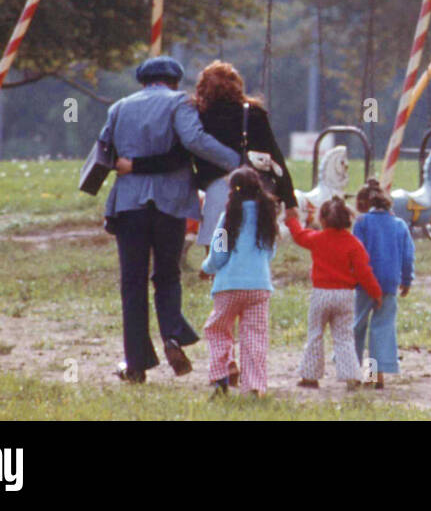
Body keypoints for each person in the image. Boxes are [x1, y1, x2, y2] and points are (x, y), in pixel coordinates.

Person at [99, 55, 241, 383]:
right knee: (167, 275)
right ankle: (173, 336)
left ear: (143, 81)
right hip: (171, 203)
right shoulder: (180, 102)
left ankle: (135, 364)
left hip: (129, 203)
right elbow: (193, 140)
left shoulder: (119, 107)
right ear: (174, 81)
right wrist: (234, 159)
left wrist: (133, 164)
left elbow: (105, 149)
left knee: (132, 282)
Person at [119, 61, 296, 255]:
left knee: (219, 244)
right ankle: (253, 279)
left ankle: (218, 278)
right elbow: (276, 159)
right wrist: (290, 202)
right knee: (254, 244)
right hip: (256, 192)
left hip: (219, 195)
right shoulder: (253, 114)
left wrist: (135, 165)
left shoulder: (198, 118)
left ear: (203, 87)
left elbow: (175, 158)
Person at [285, 198, 382, 390]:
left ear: (322, 220)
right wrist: (376, 293)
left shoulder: (317, 239)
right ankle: (352, 376)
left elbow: (299, 236)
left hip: (321, 293)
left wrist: (292, 220)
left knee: (315, 334)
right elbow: (364, 272)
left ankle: (310, 377)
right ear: (347, 219)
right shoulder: (354, 244)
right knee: (344, 337)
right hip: (345, 295)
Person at [201, 166, 279, 397]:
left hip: (228, 286)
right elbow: (270, 251)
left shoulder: (228, 218)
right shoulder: (266, 216)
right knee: (254, 337)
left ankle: (220, 377)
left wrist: (207, 268)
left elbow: (219, 254)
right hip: (259, 286)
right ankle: (254, 386)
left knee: (217, 329)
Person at [351, 178, 414, 389]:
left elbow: (354, 253)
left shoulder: (361, 223)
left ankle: (352, 371)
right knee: (382, 327)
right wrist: (406, 280)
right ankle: (375, 375)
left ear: (362, 203)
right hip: (389, 282)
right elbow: (408, 255)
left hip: (364, 282)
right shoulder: (399, 225)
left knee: (357, 326)